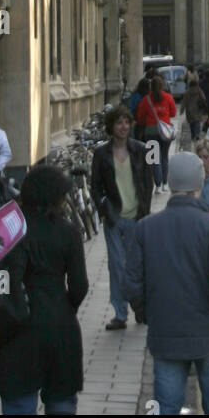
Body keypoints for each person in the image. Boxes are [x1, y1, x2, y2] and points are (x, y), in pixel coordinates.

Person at [122, 152, 209, 415]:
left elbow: (132, 283)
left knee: (167, 407)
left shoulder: (145, 228)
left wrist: (147, 314)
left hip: (166, 331)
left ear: (171, 182)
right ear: (200, 184)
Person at [0, 163, 88, 413]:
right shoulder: (68, 232)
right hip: (59, 325)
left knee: (19, 402)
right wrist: (63, 306)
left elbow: (3, 279)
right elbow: (80, 285)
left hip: (19, 329)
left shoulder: (10, 230)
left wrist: (5, 305)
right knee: (62, 400)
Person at [90, 106, 153, 331]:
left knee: (136, 266)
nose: (123, 127)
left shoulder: (142, 150)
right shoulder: (101, 154)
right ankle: (120, 312)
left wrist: (145, 210)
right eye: (119, 123)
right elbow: (95, 186)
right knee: (117, 267)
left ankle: (140, 307)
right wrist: (104, 208)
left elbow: (148, 182)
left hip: (136, 217)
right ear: (111, 126)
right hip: (115, 219)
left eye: (127, 122)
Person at [136, 74, 178, 193]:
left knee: (155, 159)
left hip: (150, 132)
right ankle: (165, 183)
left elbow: (140, 117)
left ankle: (157, 185)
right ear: (162, 85)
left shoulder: (146, 99)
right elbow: (173, 113)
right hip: (165, 132)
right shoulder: (168, 97)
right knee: (164, 157)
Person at [181, 78, 208, 149]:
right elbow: (204, 98)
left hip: (189, 110)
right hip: (198, 110)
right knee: (197, 122)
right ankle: (197, 134)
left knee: (191, 123)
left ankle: (193, 135)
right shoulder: (199, 90)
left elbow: (184, 101)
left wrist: (182, 110)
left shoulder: (187, 92)